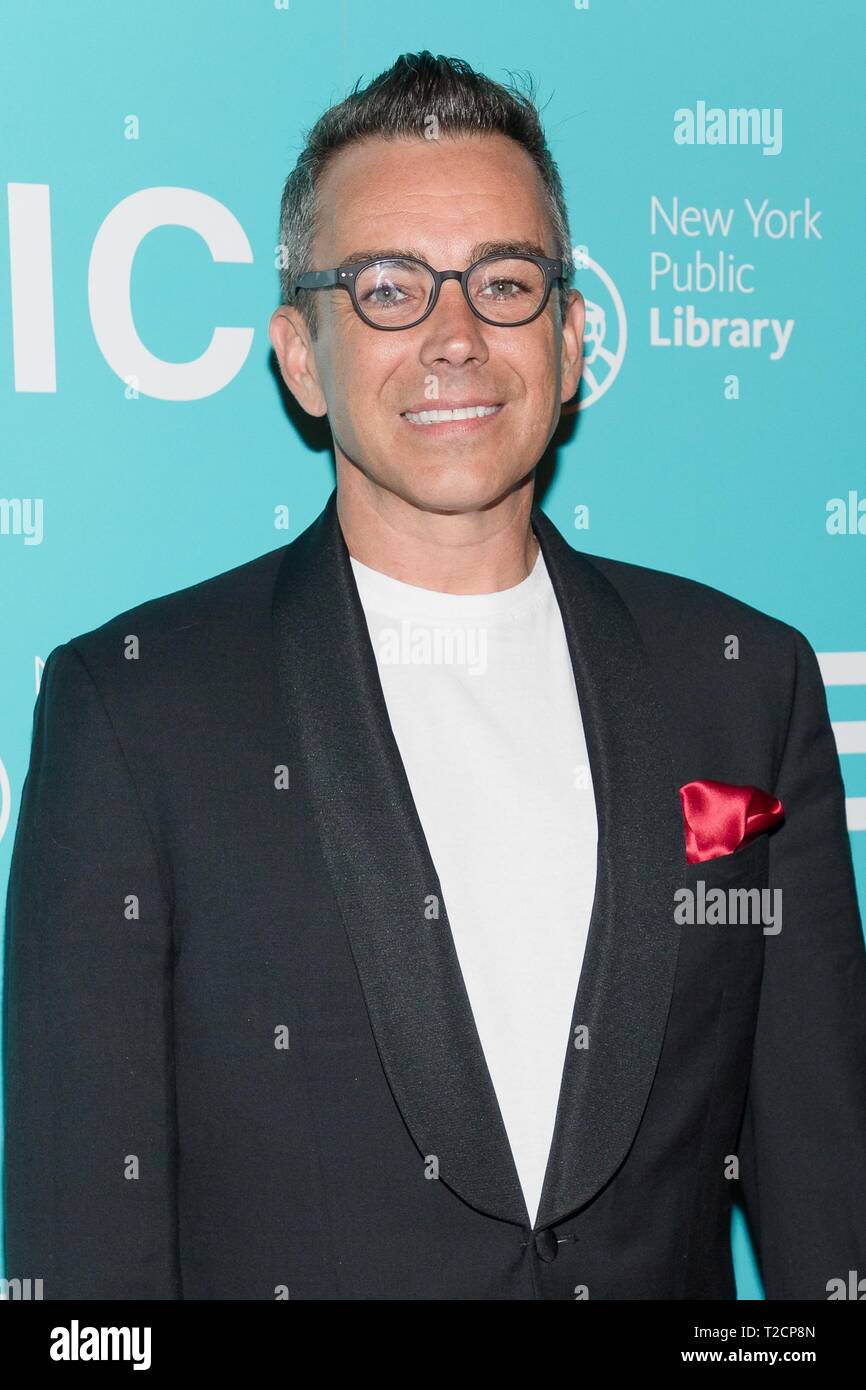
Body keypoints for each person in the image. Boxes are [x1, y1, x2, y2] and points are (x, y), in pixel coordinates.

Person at [4, 51, 865, 1301]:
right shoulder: (135, 714)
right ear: (300, 354)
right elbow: (88, 1277)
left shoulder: (744, 686)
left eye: (503, 284)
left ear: (572, 341)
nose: (453, 337)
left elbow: (824, 1199)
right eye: (388, 288)